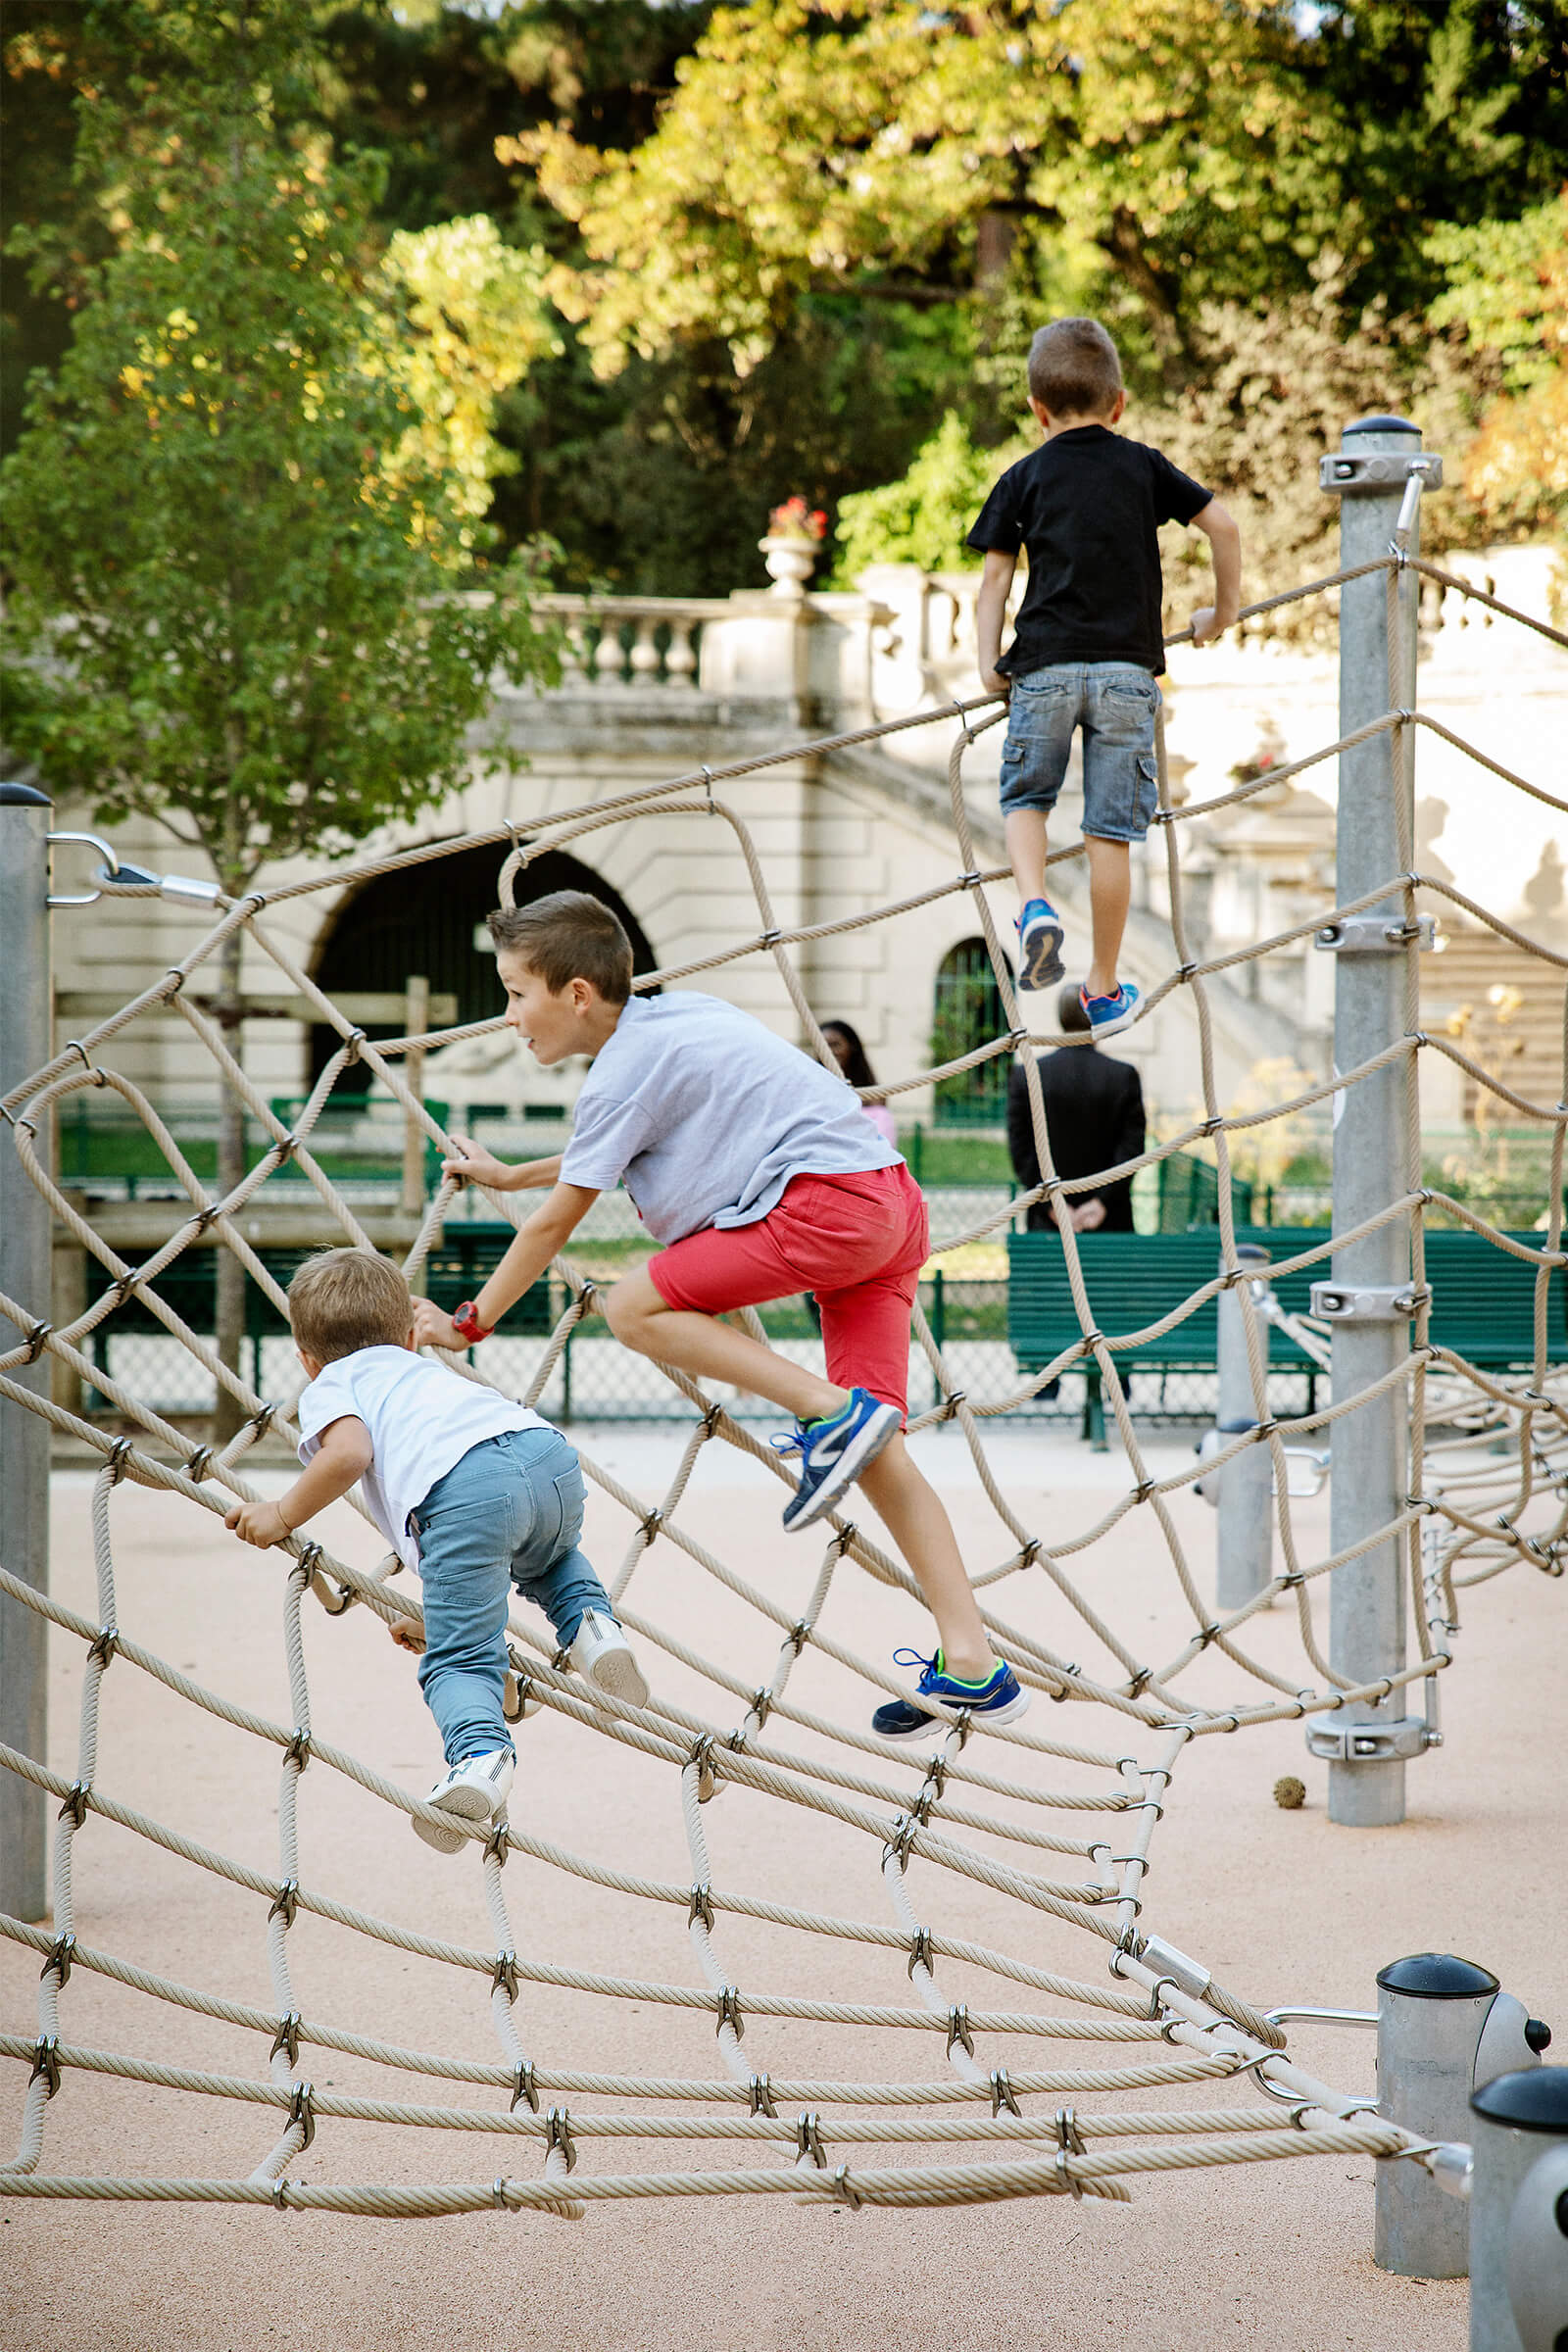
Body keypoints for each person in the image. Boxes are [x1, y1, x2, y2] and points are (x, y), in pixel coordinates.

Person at [413, 889, 1029, 1743]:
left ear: (577, 994)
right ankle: (974, 1663)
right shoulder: (677, 1018)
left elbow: (560, 1222)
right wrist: (513, 1175)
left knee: (632, 1307)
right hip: (888, 1206)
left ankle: (828, 1412)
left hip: (828, 1209)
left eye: (517, 992)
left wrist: (467, 1322)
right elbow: (608, 1143)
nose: (509, 1016)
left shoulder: (623, 1070)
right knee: (880, 1446)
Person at [224, 1248, 648, 1851]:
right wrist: (438, 1608)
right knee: (551, 1561)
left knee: (460, 1661)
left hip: (464, 1495)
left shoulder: (332, 1383)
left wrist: (280, 1514)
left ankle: (481, 1760)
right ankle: (594, 1629)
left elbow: (348, 1456)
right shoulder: (422, 1370)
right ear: (407, 1336)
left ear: (306, 1360)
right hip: (544, 1454)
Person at [967, 316, 1241, 1039]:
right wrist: (1223, 610)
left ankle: (1034, 907)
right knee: (1107, 837)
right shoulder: (1143, 465)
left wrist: (989, 664)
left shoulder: (1021, 477)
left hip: (1045, 670)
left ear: (1037, 410)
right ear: (1118, 403)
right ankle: (1103, 984)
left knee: (1026, 799)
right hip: (1126, 673)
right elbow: (1225, 526)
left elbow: (995, 579)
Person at [1007, 984, 1146, 1234]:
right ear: (1096, 1019)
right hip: (1110, 1222)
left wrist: (1052, 1206)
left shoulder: (1027, 1076)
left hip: (1048, 1224)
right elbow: (1132, 1150)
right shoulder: (1123, 1076)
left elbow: (1021, 1151)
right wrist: (1101, 1203)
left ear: (1061, 1019)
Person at [822, 1019, 898, 1147]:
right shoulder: (815, 1086)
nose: (829, 1052)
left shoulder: (874, 1096)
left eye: (835, 1045)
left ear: (851, 1046)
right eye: (824, 1046)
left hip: (862, 1154)